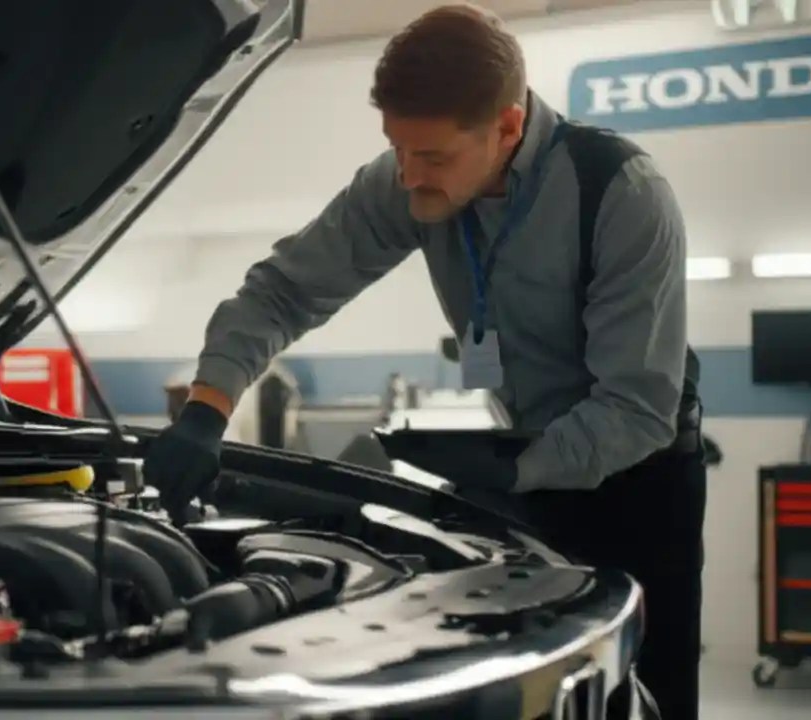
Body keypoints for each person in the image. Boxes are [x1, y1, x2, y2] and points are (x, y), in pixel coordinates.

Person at [141, 3, 705, 718]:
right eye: (397, 149)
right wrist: (206, 408)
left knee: (642, 686)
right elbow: (282, 293)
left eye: (432, 156)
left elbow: (634, 409)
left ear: (508, 125)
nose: (408, 176)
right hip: (528, 467)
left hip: (641, 477)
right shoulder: (405, 178)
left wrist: (514, 469)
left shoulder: (623, 195)